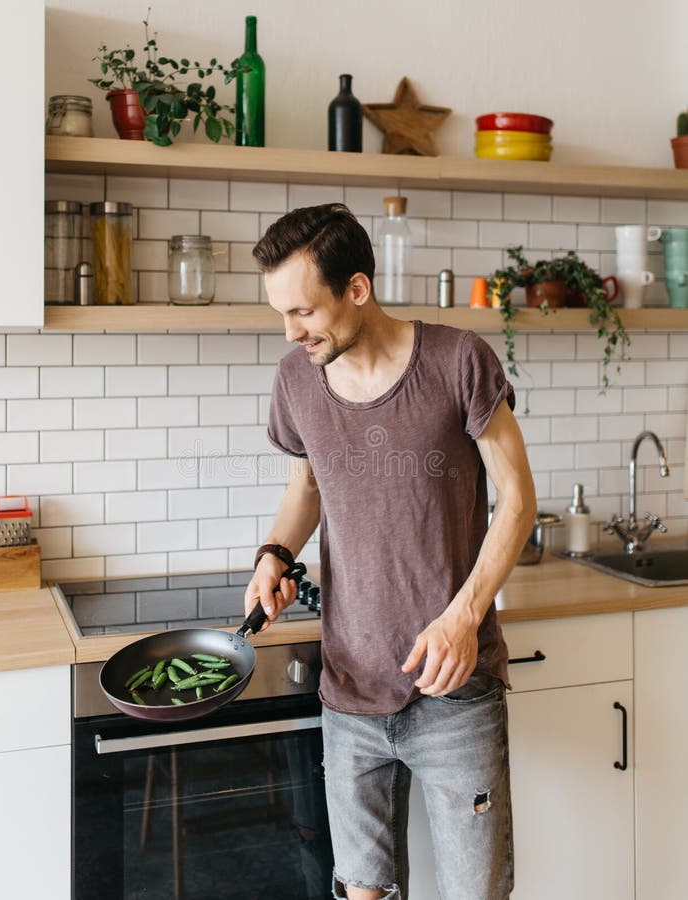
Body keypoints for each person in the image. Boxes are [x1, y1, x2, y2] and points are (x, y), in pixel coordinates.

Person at [245, 203, 537, 900]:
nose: (291, 333)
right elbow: (306, 486)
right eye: (281, 314)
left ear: (356, 289)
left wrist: (463, 616)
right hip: (348, 689)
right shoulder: (294, 380)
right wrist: (274, 553)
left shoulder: (457, 360)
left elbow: (518, 499)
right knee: (362, 892)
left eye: (304, 312)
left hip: (453, 692)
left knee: (476, 892)